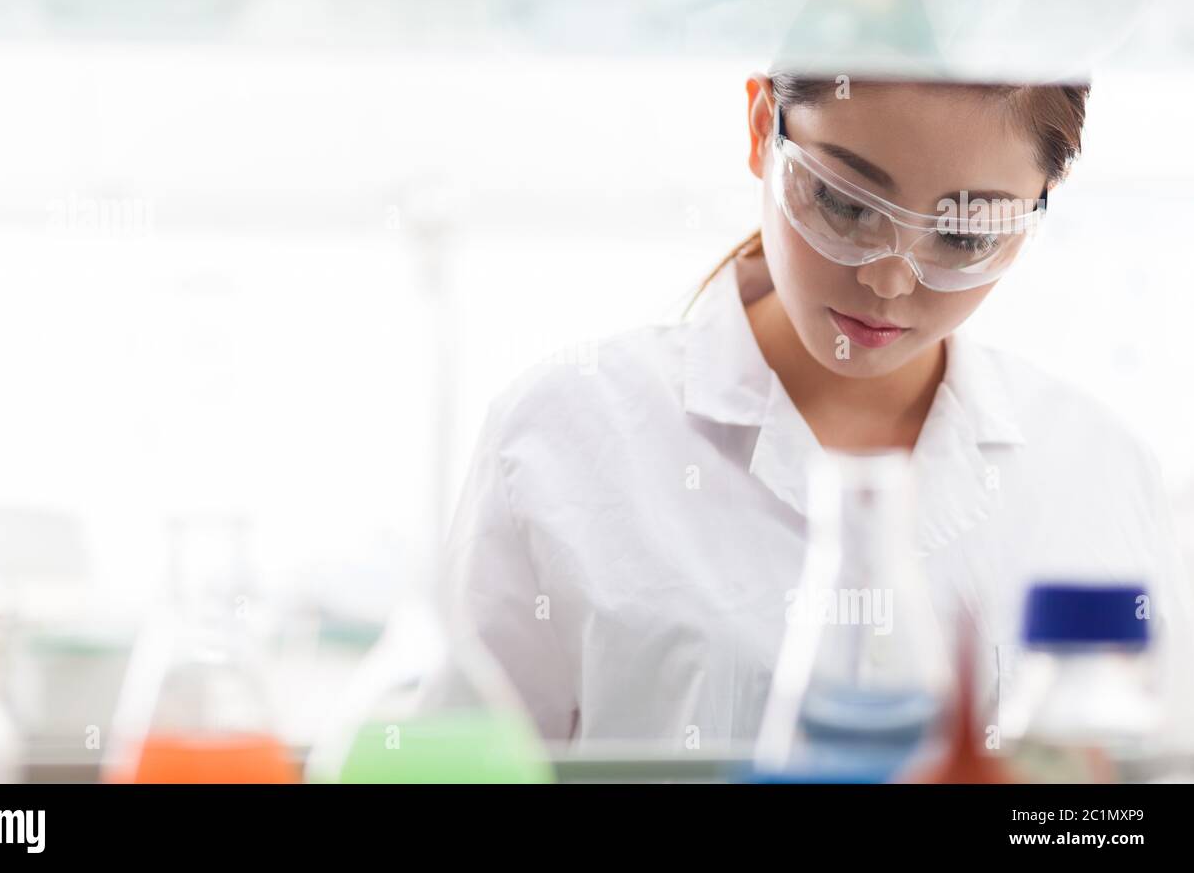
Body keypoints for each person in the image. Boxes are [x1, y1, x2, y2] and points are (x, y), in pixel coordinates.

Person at [441, 72, 1194, 751]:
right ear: (761, 123)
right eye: (842, 203)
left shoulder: (1099, 471)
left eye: (967, 233)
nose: (892, 280)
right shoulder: (561, 436)